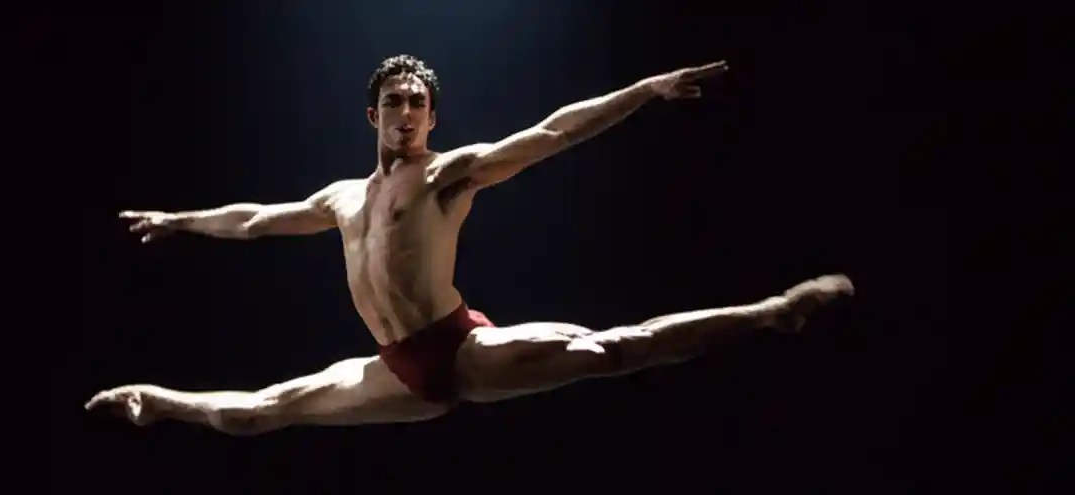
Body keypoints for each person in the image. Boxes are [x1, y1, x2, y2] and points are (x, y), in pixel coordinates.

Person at [85, 54, 853, 435]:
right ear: (373, 115)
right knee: (259, 413)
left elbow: (552, 132)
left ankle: (772, 311)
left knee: (614, 350)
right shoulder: (342, 198)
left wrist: (644, 93)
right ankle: (151, 400)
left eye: (419, 104)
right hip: (394, 371)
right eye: (396, 103)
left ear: (432, 117)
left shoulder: (448, 175)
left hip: (458, 349)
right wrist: (180, 221)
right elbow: (253, 220)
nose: (409, 114)